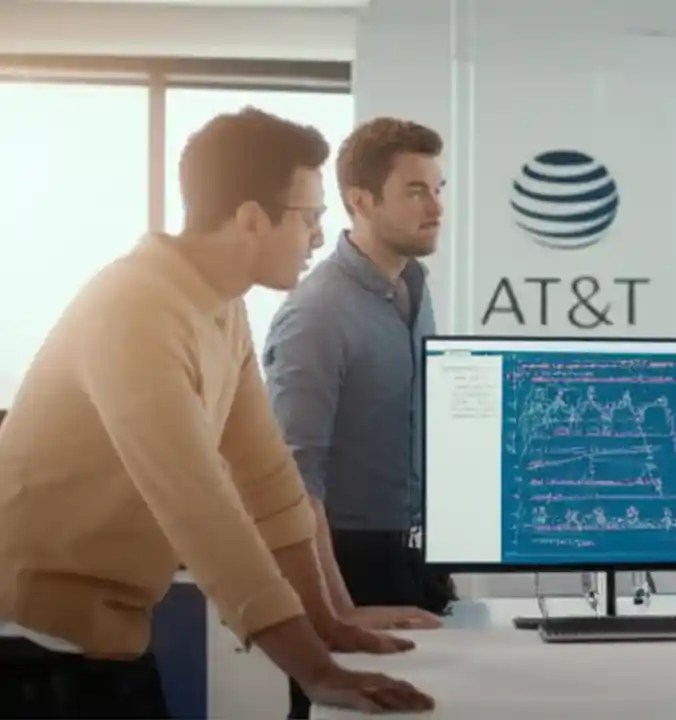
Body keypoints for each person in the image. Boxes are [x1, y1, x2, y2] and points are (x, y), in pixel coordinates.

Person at [0, 107, 433, 718]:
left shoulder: (219, 308)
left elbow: (269, 483)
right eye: (309, 217)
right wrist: (315, 671)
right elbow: (203, 510)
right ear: (251, 219)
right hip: (29, 651)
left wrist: (330, 623)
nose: (317, 236)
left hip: (104, 643)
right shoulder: (137, 309)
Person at [262, 116, 455, 718]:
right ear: (359, 201)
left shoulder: (415, 289)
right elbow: (295, 479)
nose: (436, 208)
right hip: (347, 561)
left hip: (419, 556)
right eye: (416, 191)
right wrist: (335, 610)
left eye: (439, 189)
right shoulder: (316, 315)